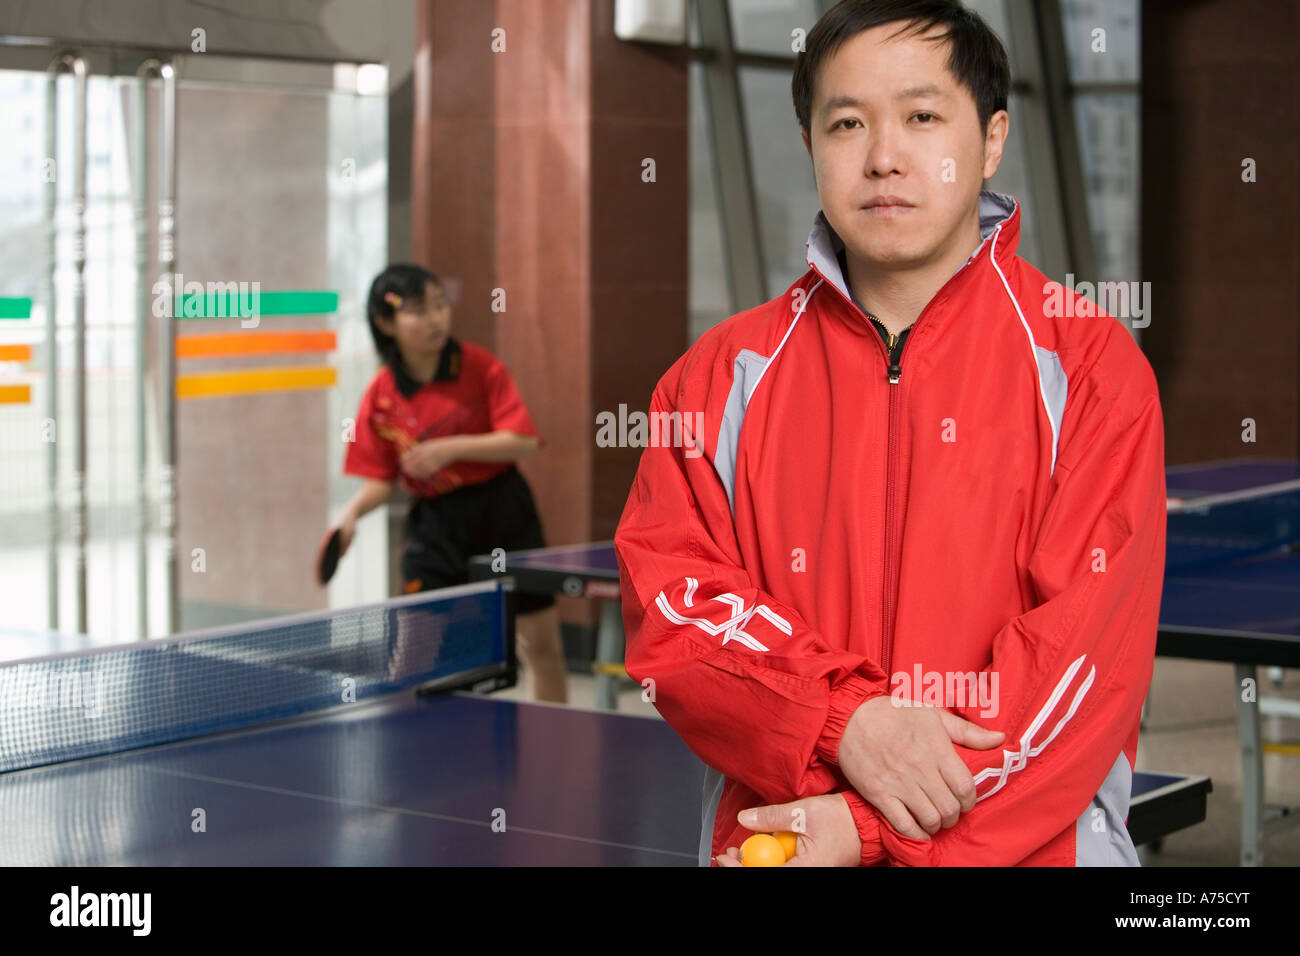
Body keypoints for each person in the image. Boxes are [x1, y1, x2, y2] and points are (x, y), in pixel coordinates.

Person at [614, 0, 1164, 867]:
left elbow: (1079, 675)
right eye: (846, 123)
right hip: (785, 848)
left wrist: (868, 832)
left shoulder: (1091, 370)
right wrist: (845, 722)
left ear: (989, 141)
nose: (882, 157)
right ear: (810, 146)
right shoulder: (719, 377)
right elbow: (673, 616)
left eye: (921, 117)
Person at [328, 263, 568, 703]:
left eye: (440, 305)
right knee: (412, 656)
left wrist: (449, 448)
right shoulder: (381, 396)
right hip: (435, 526)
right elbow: (381, 481)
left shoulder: (479, 366)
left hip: (503, 513)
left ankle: (555, 751)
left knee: (542, 648)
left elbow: (525, 441)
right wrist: (350, 516)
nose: (437, 318)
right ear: (386, 323)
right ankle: (407, 752)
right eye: (420, 310)